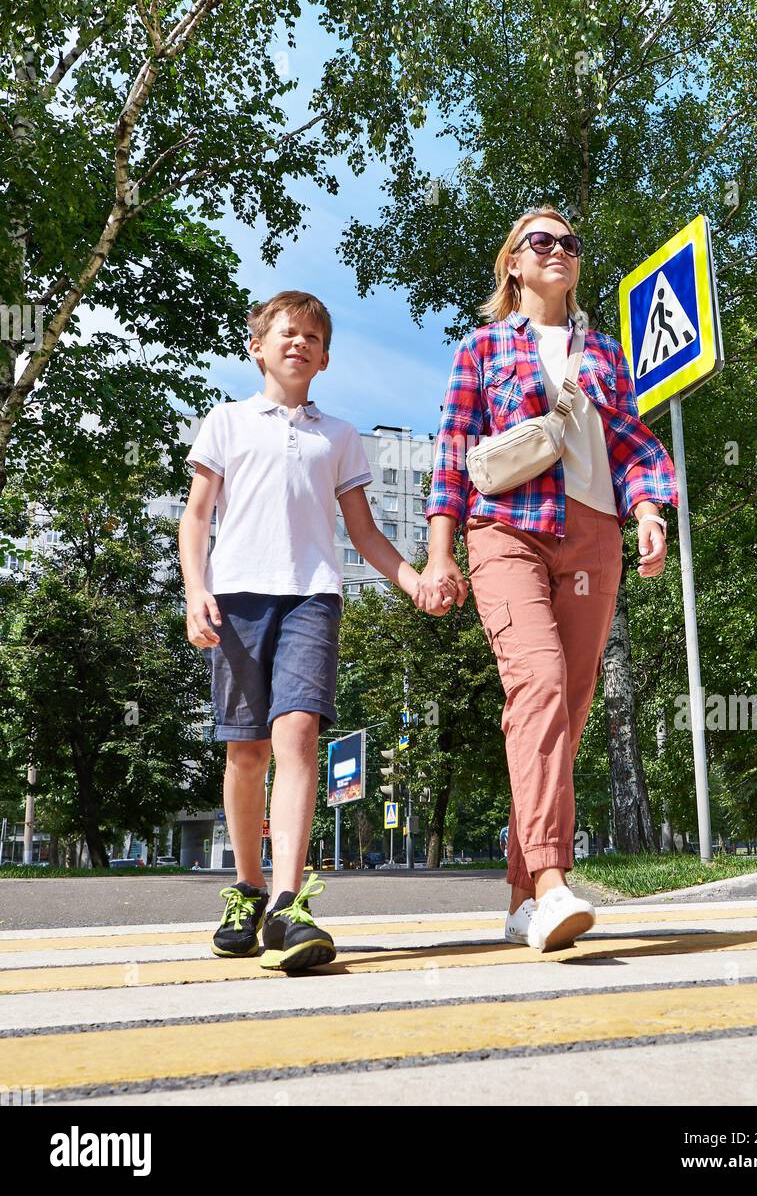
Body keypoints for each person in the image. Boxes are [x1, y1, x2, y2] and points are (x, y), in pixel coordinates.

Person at [418, 206, 678, 952]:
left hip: (594, 537)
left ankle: (518, 897)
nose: (559, 250)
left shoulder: (606, 351)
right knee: (537, 685)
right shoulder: (482, 348)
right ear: (514, 263)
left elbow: (630, 442)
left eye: (570, 242)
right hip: (505, 531)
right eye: (543, 241)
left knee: (567, 710)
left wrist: (650, 507)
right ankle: (554, 880)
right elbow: (452, 455)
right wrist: (440, 556)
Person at [179, 291, 433, 971]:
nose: (300, 343)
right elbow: (197, 515)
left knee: (297, 735)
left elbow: (363, 532)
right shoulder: (227, 422)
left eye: (313, 337)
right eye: (287, 333)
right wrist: (195, 588)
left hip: (311, 601)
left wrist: (412, 580)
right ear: (258, 346)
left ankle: (290, 901)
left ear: (324, 359)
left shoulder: (338, 435)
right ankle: (247, 889)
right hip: (235, 600)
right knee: (245, 752)